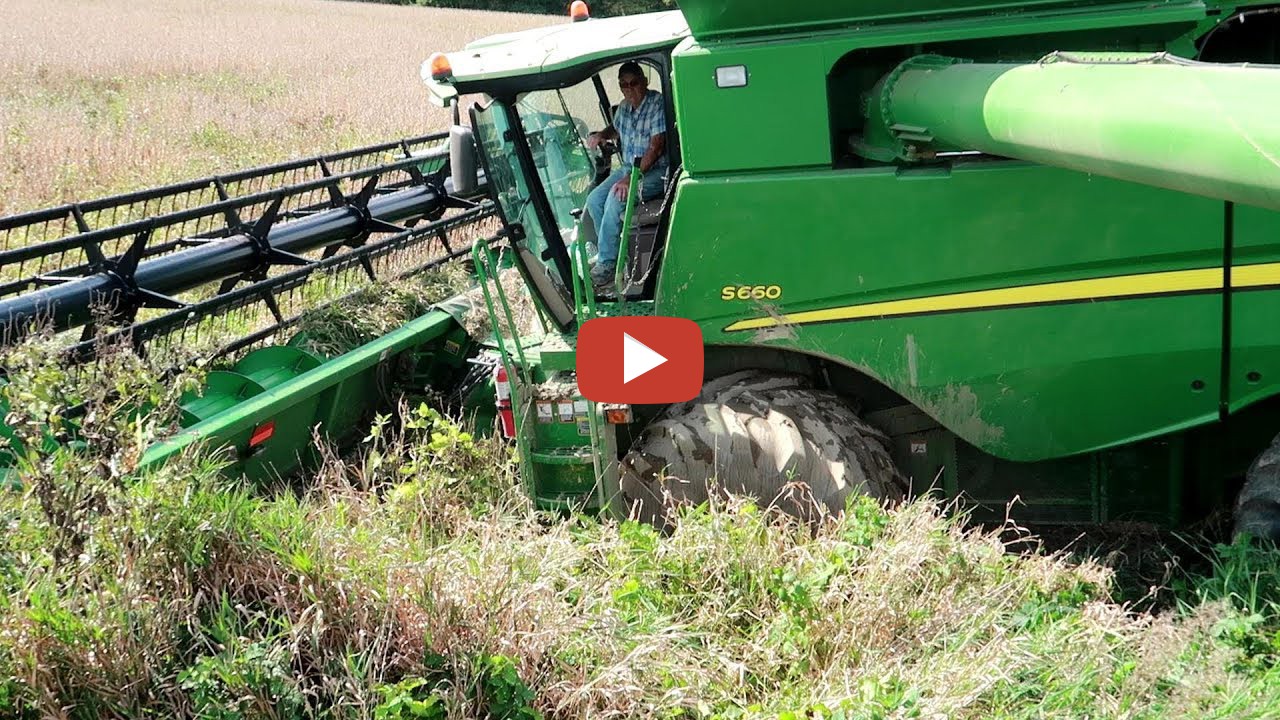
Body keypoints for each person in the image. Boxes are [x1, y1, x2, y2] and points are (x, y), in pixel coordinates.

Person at [583, 61, 668, 287]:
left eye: (634, 83)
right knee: (594, 200)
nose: (630, 89)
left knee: (615, 196)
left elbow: (656, 148)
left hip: (655, 172)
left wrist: (630, 179)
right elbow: (616, 128)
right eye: (624, 85)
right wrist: (602, 134)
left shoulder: (657, 104)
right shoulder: (624, 107)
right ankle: (618, 252)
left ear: (645, 81)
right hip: (628, 168)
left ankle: (608, 263)